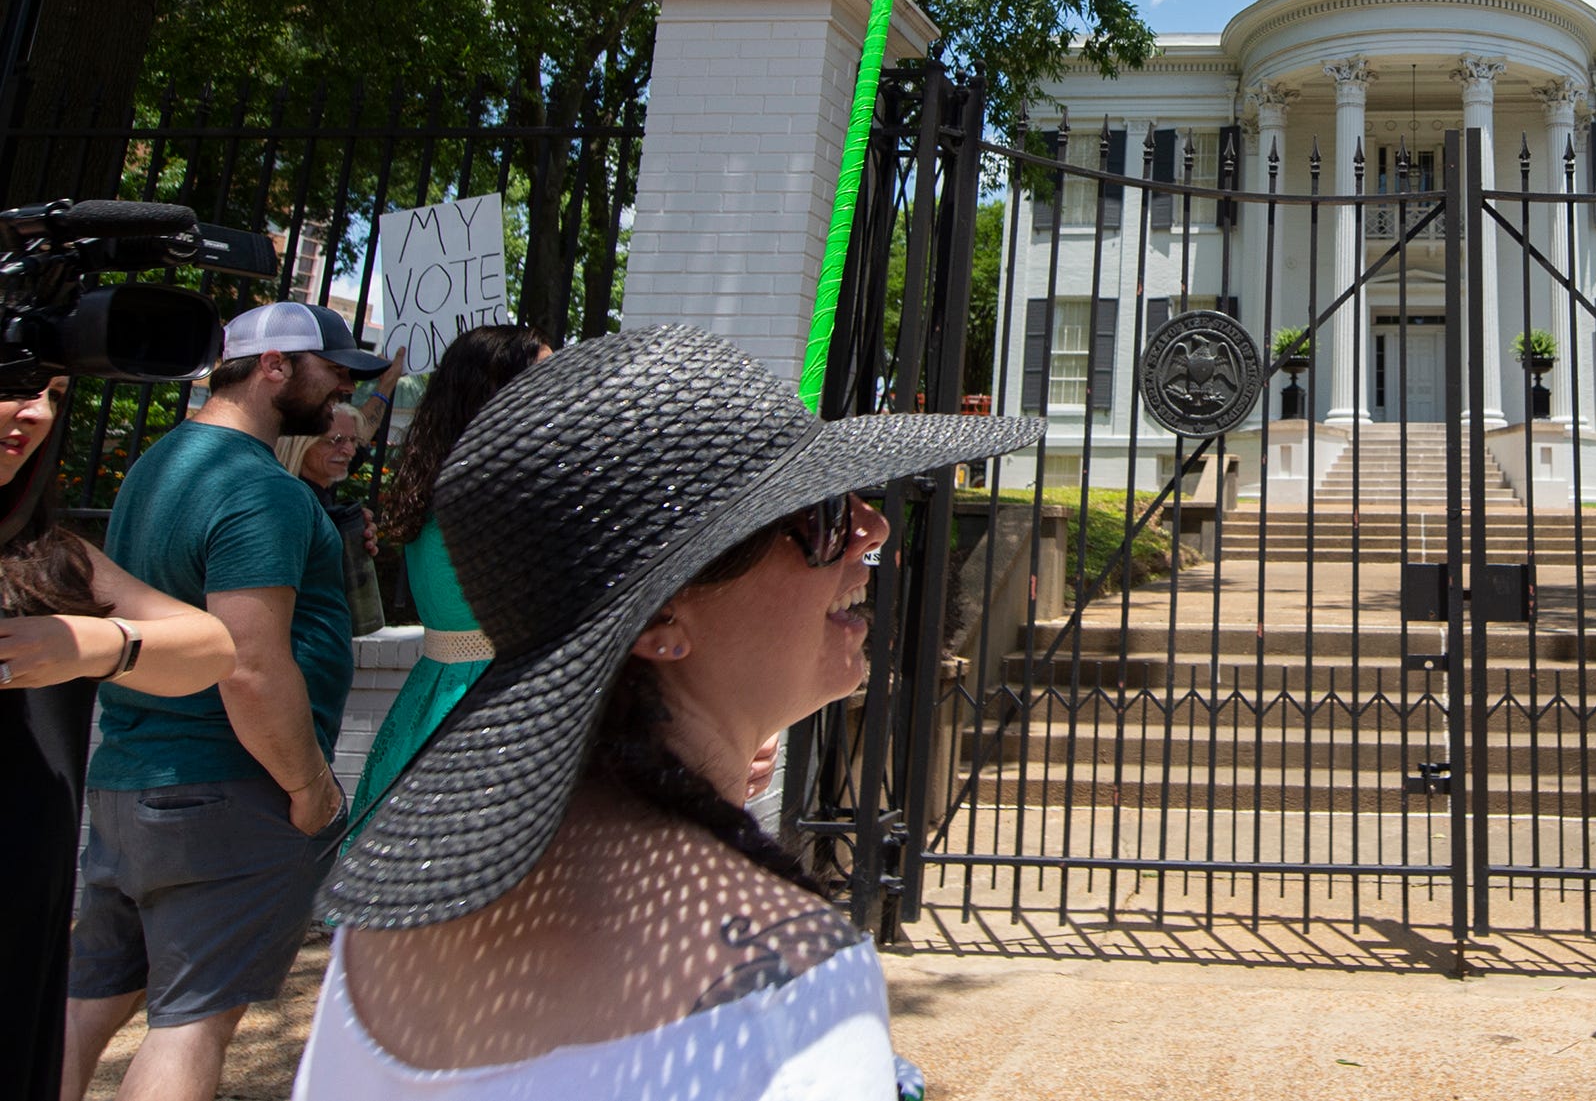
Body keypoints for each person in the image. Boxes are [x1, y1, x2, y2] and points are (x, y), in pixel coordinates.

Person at [296, 324, 1041, 1097]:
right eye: (818, 515)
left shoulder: (376, 940)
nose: (872, 528)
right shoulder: (796, 979)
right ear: (660, 621)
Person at [62, 301, 391, 1101]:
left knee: (81, 1007)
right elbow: (247, 663)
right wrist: (311, 787)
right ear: (274, 363)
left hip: (130, 783)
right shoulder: (259, 488)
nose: (345, 390)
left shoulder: (156, 464)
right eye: (335, 370)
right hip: (228, 792)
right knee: (194, 1023)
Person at [0, 376, 235, 1101]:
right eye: (14, 386)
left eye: (54, 391)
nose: (37, 411)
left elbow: (212, 645)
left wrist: (98, 644)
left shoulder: (46, 557)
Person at [347, 323, 549, 831]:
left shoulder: (445, 478)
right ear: (498, 394)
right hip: (496, 713)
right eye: (546, 378)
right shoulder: (500, 492)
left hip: (442, 700)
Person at [276, 398, 387, 637]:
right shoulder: (288, 504)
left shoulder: (321, 500)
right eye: (336, 440)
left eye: (352, 441)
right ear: (302, 445)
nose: (348, 450)